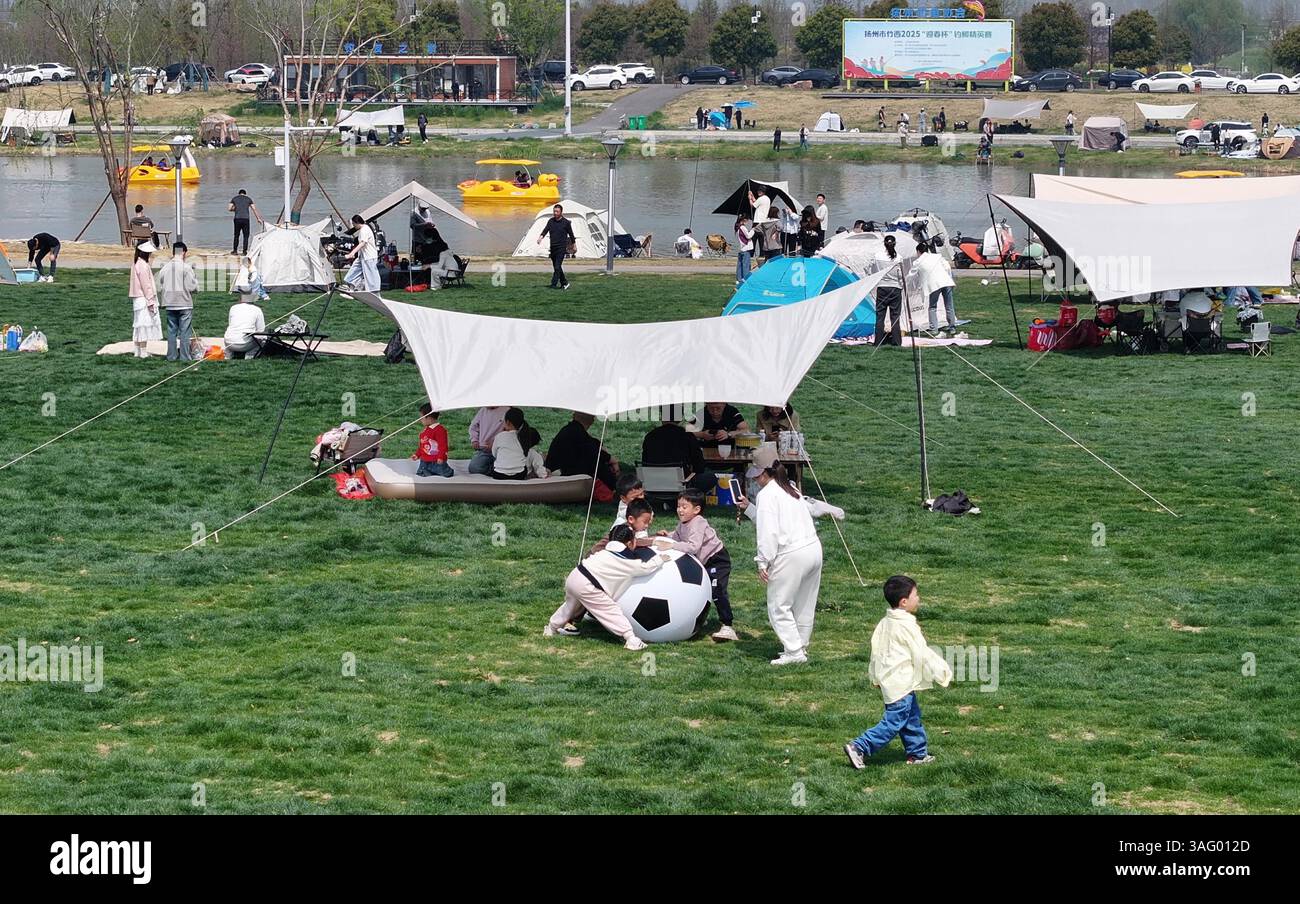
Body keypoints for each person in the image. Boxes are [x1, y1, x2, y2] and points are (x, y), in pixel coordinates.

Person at [844, 575, 953, 768]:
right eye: (916, 595)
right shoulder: (907, 625)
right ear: (904, 602)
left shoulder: (884, 623)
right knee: (893, 723)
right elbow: (922, 653)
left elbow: (876, 652)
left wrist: (875, 676)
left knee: (911, 718)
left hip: (891, 682)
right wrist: (941, 672)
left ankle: (918, 754)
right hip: (900, 684)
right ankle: (859, 746)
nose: (918, 599)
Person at [748, 446, 823, 665]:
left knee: (778, 605)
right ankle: (800, 646)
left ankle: (794, 651)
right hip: (813, 548)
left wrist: (763, 561)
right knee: (804, 603)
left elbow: (767, 532)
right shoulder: (792, 489)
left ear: (763, 473)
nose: (756, 480)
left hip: (791, 554)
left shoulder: (767, 495)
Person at [543, 523, 666, 651]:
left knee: (569, 607)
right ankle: (631, 638)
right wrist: (659, 559)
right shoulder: (625, 560)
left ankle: (551, 628)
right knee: (610, 610)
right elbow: (645, 568)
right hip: (588, 585)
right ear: (630, 543)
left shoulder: (605, 552)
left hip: (575, 575)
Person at [660, 489, 736, 642]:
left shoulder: (699, 522)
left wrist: (671, 547)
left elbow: (693, 546)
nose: (680, 510)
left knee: (717, 591)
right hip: (704, 562)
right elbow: (677, 536)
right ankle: (699, 616)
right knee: (701, 590)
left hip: (717, 560)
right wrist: (667, 536)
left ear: (697, 510)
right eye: (678, 506)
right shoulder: (683, 523)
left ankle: (727, 625)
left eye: (684, 507)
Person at [642, 406, 716, 495]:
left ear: (661, 417)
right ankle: (680, 499)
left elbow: (644, 462)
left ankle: (668, 502)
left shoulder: (650, 436)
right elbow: (699, 466)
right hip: (681, 484)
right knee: (710, 476)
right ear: (680, 418)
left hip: (654, 483)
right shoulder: (687, 436)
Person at [545, 411, 619, 492]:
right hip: (561, 473)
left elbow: (592, 444)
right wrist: (612, 460)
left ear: (574, 416)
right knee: (596, 462)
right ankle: (616, 487)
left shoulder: (572, 429)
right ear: (592, 420)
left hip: (561, 469)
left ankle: (615, 486)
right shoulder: (576, 432)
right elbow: (594, 452)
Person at [157, 242, 198, 361]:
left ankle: (171, 356)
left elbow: (160, 283)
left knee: (171, 331)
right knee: (185, 332)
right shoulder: (186, 268)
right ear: (184, 253)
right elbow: (192, 287)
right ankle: (185, 356)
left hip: (169, 303)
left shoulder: (165, 267)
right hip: (184, 303)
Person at [910, 240, 958, 334]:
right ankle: (952, 328)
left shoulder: (918, 262)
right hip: (946, 282)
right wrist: (948, 277)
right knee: (949, 306)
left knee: (932, 307)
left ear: (918, 252)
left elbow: (910, 275)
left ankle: (934, 329)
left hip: (934, 285)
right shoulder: (937, 256)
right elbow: (947, 267)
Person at [490, 407, 546, 480]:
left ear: (508, 422)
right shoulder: (523, 438)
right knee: (523, 467)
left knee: (491, 465)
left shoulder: (500, 436)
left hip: (498, 475)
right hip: (519, 475)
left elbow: (494, 454)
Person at [128, 241, 162, 358]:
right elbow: (146, 285)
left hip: (138, 298)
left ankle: (137, 349)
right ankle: (142, 351)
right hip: (143, 298)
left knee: (139, 324)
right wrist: (151, 300)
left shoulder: (136, 263)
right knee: (143, 324)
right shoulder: (142, 265)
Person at [871, 234, 905, 346]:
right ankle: (896, 341)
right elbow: (901, 274)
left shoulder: (878, 256)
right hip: (895, 287)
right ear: (895, 244)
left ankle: (878, 340)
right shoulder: (898, 257)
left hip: (882, 287)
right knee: (895, 316)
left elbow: (873, 271)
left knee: (880, 316)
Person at [537, 203, 575, 289]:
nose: (555, 213)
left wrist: (574, 246)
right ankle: (564, 283)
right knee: (557, 267)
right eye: (554, 211)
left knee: (557, 267)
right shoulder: (551, 221)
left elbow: (571, 235)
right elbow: (545, 230)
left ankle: (553, 284)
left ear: (561, 212)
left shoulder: (566, 223)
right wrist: (540, 237)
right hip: (553, 248)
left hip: (561, 248)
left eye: (557, 211)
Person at [413, 403, 453, 477]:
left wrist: (441, 457)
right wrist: (417, 454)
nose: (420, 420)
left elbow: (443, 446)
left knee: (446, 473)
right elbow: (423, 445)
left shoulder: (440, 430)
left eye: (422, 418)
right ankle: (428, 472)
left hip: (436, 461)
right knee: (421, 473)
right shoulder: (426, 430)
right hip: (424, 461)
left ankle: (445, 470)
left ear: (429, 418)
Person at [223, 289, 265, 359]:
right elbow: (261, 330)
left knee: (231, 332)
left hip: (228, 342)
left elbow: (230, 324)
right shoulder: (257, 309)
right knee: (263, 339)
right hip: (244, 344)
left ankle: (229, 354)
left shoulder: (233, 307)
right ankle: (250, 355)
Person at [343, 214, 380, 292]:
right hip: (362, 256)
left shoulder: (364, 229)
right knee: (354, 269)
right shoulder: (363, 229)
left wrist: (351, 253)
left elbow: (362, 243)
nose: (354, 226)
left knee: (371, 274)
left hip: (369, 256)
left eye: (353, 224)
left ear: (357, 223)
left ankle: (374, 290)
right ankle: (351, 285)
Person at [467, 405, 507, 474]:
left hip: (501, 451)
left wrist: (495, 444)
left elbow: (510, 433)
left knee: (510, 466)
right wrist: (474, 440)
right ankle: (494, 470)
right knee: (474, 468)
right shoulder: (482, 411)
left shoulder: (506, 410)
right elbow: (473, 427)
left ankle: (498, 469)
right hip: (485, 451)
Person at [228, 189, 263, 256]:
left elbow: (229, 208)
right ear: (245, 194)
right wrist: (258, 218)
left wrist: (236, 209)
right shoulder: (249, 199)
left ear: (239, 193)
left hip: (237, 219)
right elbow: (254, 209)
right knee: (246, 236)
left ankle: (235, 251)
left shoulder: (234, 198)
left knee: (236, 235)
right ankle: (244, 251)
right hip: (246, 219)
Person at [734, 213, 754, 286]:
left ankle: (739, 279)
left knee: (740, 265)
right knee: (746, 265)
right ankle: (746, 279)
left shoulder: (737, 227)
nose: (748, 221)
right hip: (746, 248)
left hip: (741, 249)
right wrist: (753, 230)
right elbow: (748, 236)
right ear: (744, 220)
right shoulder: (743, 227)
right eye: (747, 220)